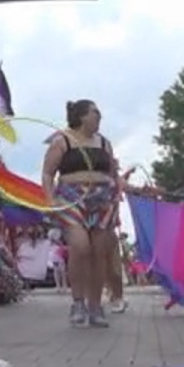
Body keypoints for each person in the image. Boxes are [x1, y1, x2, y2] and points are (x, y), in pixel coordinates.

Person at [41, 98, 120, 328]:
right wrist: (50, 200)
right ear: (82, 116)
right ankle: (78, 302)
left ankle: (95, 306)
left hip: (102, 199)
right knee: (81, 246)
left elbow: (113, 173)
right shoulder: (62, 140)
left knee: (99, 252)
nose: (99, 116)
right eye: (95, 112)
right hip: (71, 197)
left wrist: (116, 191)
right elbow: (47, 173)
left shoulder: (104, 143)